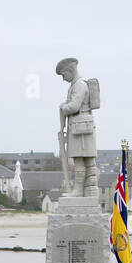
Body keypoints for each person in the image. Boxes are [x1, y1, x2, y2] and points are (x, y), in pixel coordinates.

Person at [55, 56, 98, 197]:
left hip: (80, 128)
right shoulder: (76, 85)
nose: (63, 78)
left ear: (70, 70)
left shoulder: (79, 85)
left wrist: (63, 107)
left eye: (64, 74)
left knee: (81, 160)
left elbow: (73, 106)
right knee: (86, 161)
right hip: (80, 127)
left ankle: (80, 191)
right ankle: (88, 190)